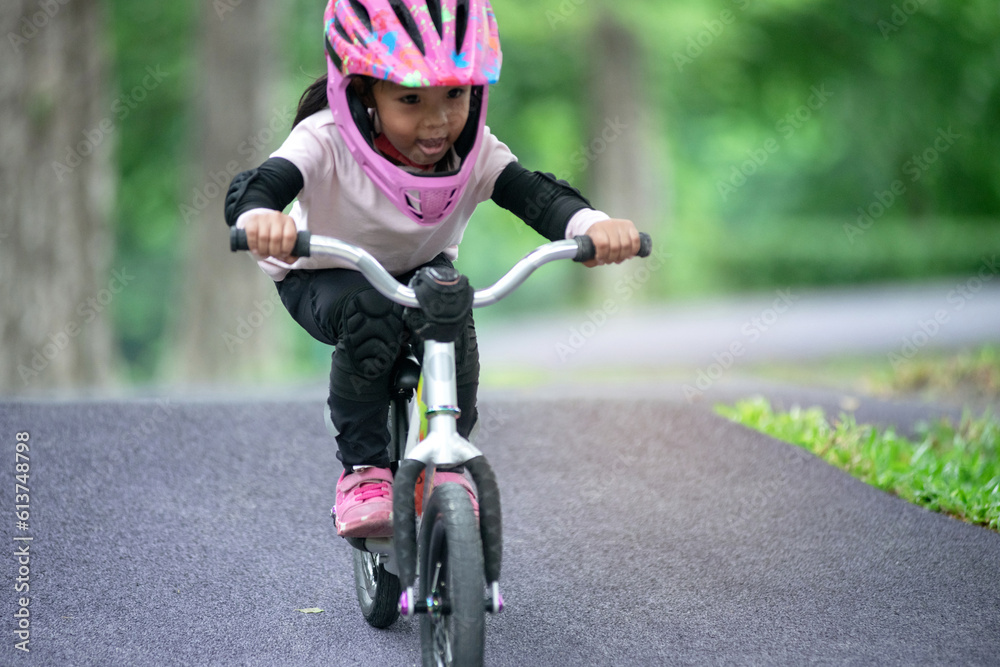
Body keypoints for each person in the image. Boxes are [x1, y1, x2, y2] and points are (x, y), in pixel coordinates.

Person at [224, 0, 641, 538]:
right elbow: (265, 182)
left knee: (453, 303)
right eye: (411, 99)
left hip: (421, 273)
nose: (438, 120)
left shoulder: (474, 151)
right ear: (365, 91)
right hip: (325, 272)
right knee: (369, 311)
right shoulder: (326, 139)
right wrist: (259, 216)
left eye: (455, 95)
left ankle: (448, 458)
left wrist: (591, 223)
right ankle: (364, 473)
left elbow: (535, 195)